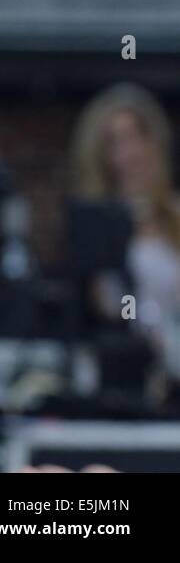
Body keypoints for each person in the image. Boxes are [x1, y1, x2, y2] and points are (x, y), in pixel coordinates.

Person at [70, 84, 180, 390]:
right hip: (128, 372)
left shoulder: (175, 216)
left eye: (135, 137)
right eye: (113, 142)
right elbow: (107, 303)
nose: (127, 154)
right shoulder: (95, 224)